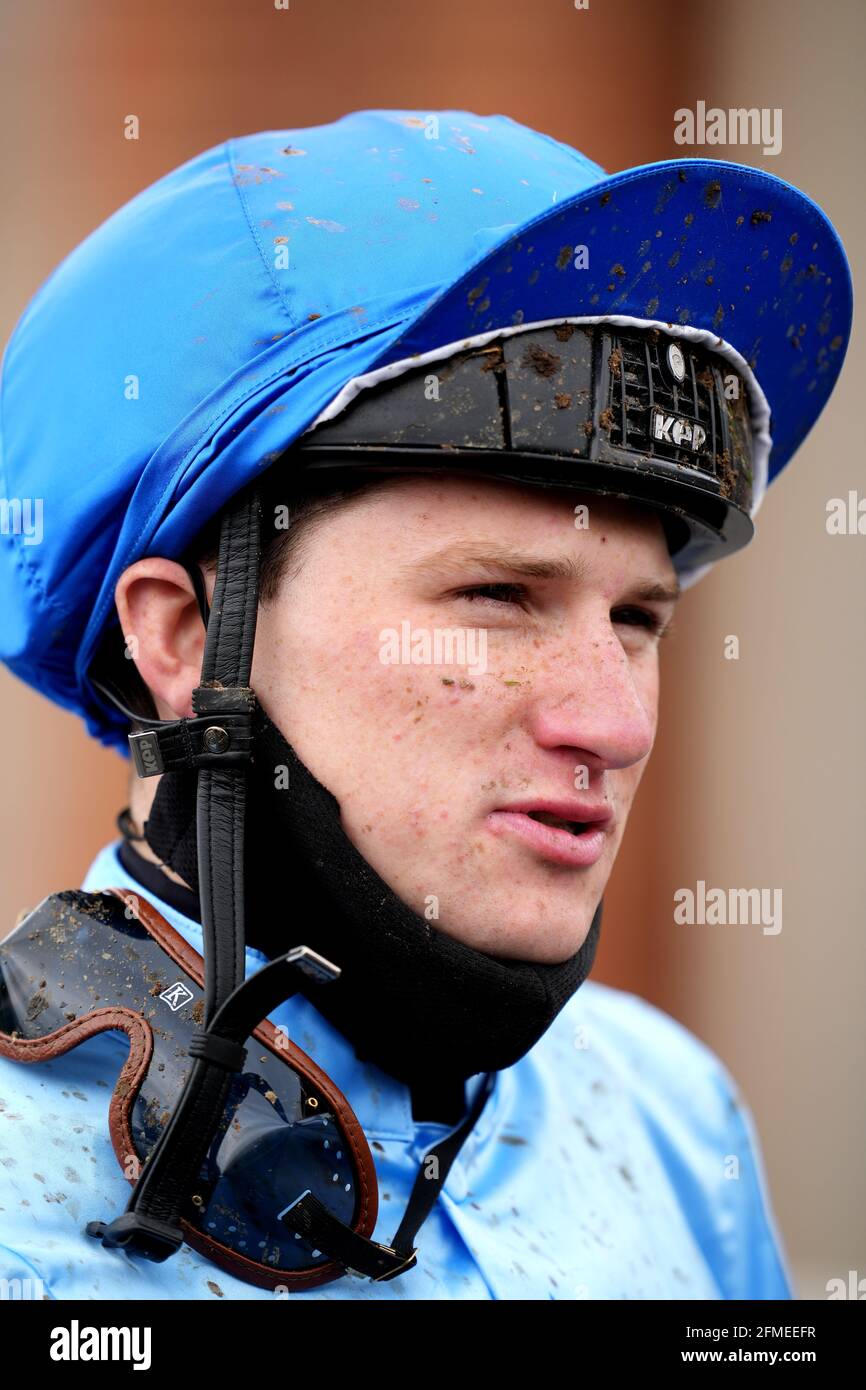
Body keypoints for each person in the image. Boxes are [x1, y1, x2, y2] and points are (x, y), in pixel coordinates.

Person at [0, 109, 852, 1300]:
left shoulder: (669, 1113)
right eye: (497, 595)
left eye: (636, 619)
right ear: (182, 637)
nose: (612, 724)